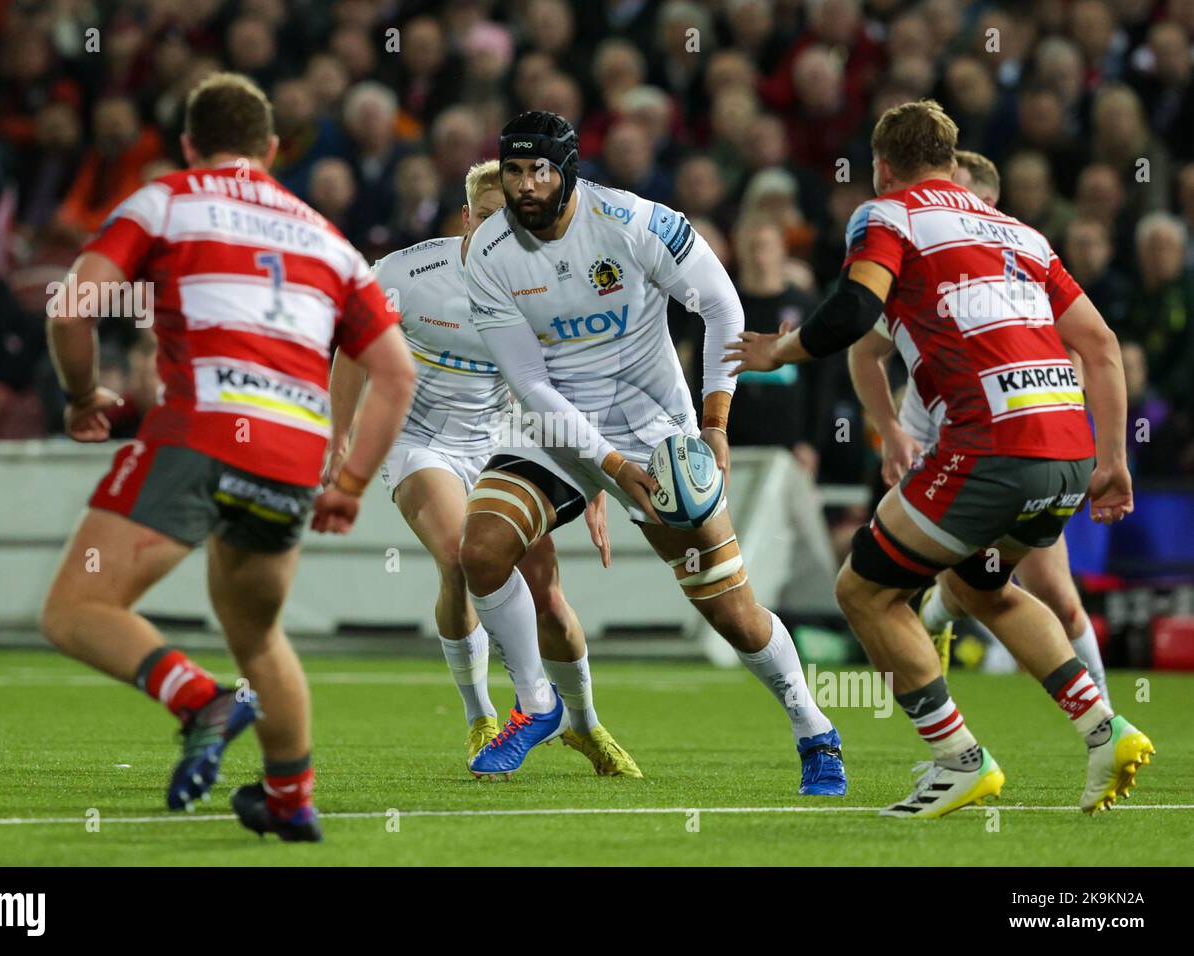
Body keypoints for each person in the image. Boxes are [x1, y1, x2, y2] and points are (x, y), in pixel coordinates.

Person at [726, 100, 1152, 818]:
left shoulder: (886, 215)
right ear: (954, 163)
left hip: (992, 446)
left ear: (882, 166)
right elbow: (1102, 345)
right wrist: (1115, 459)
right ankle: (1104, 729)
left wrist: (781, 348)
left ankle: (958, 759)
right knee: (984, 585)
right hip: (1069, 450)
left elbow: (855, 314)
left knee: (864, 591)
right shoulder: (1022, 232)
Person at [40, 73, 415, 843]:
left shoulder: (166, 198)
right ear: (273, 150)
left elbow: (74, 307)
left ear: (187, 145)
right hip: (293, 451)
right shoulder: (329, 240)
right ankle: (290, 800)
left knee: (77, 609)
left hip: (206, 427)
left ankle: (200, 700)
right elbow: (396, 374)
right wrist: (348, 484)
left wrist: (82, 396)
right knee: (258, 636)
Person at [459, 111, 846, 794]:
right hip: (559, 429)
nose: (524, 185)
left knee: (730, 610)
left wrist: (715, 422)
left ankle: (814, 729)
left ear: (568, 168)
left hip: (655, 428)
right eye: (514, 170)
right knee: (482, 548)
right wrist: (606, 468)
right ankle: (539, 704)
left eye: (539, 169)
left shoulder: (634, 221)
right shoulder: (487, 253)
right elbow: (529, 382)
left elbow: (723, 307)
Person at [328, 159, 641, 776]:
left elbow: (569, 389)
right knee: (458, 557)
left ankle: (586, 726)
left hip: (507, 441)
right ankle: (493, 713)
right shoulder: (406, 273)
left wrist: (594, 486)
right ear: (466, 218)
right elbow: (353, 349)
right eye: (494, 221)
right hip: (420, 441)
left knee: (548, 593)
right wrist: (338, 435)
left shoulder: (546, 286)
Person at [846, 149, 1111, 704]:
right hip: (947, 446)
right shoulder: (923, 265)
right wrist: (891, 429)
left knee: (1046, 592)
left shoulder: (1019, 263)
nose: (942, 204)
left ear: (985, 204)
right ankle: (1099, 729)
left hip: (1017, 445)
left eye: (957, 192)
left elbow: (1087, 352)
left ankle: (1094, 717)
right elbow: (864, 349)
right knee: (970, 583)